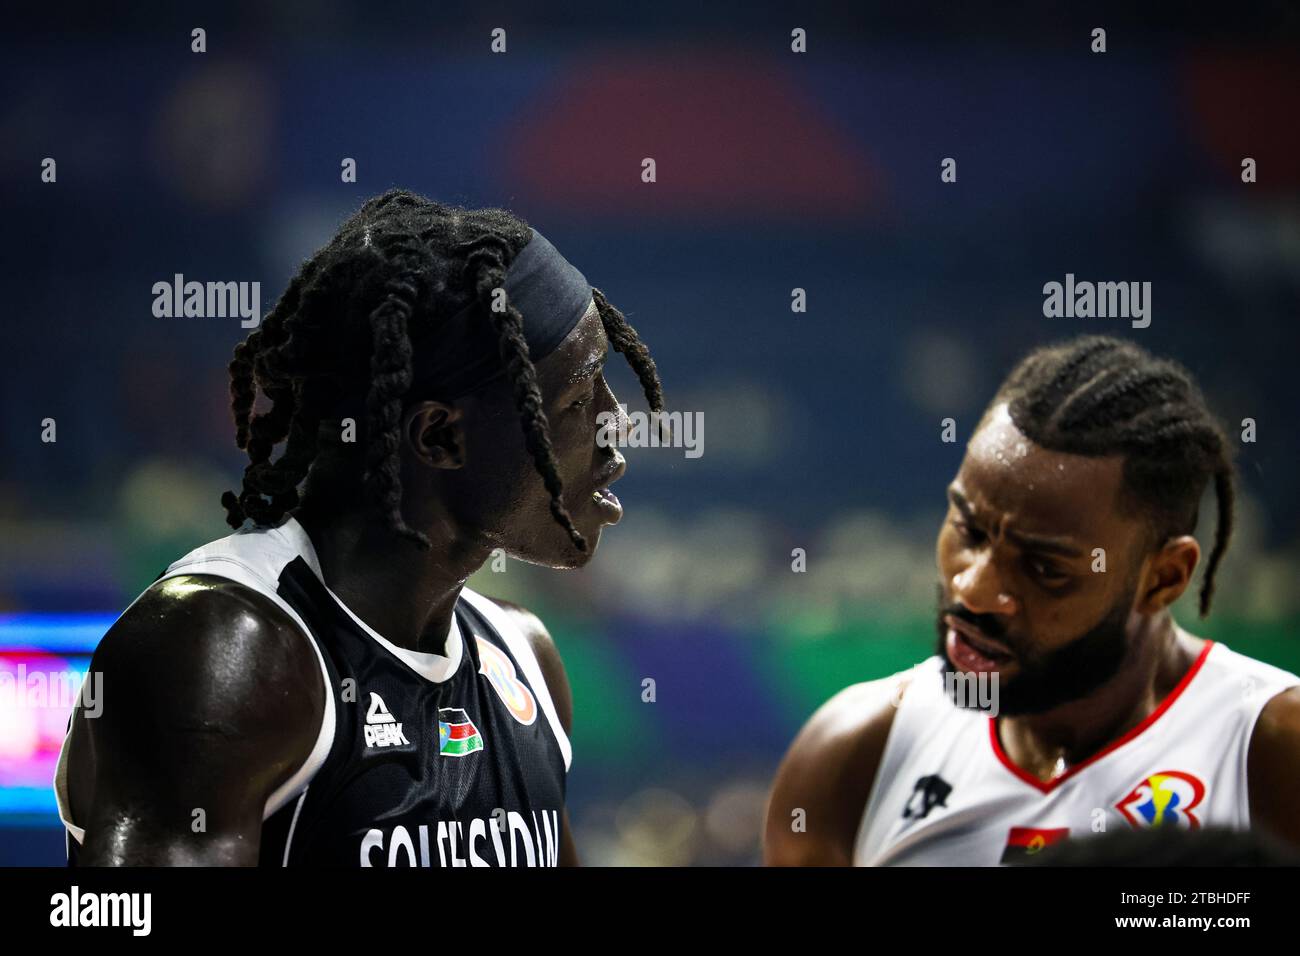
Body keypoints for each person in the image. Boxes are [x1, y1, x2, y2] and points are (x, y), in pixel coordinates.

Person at [55, 189, 663, 866]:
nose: (619, 421)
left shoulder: (525, 659)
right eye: (580, 398)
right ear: (439, 437)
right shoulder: (225, 654)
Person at [765, 335, 1300, 865]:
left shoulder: (1272, 752)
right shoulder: (852, 757)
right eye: (969, 531)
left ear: (1163, 578)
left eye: (1045, 567)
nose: (973, 590)